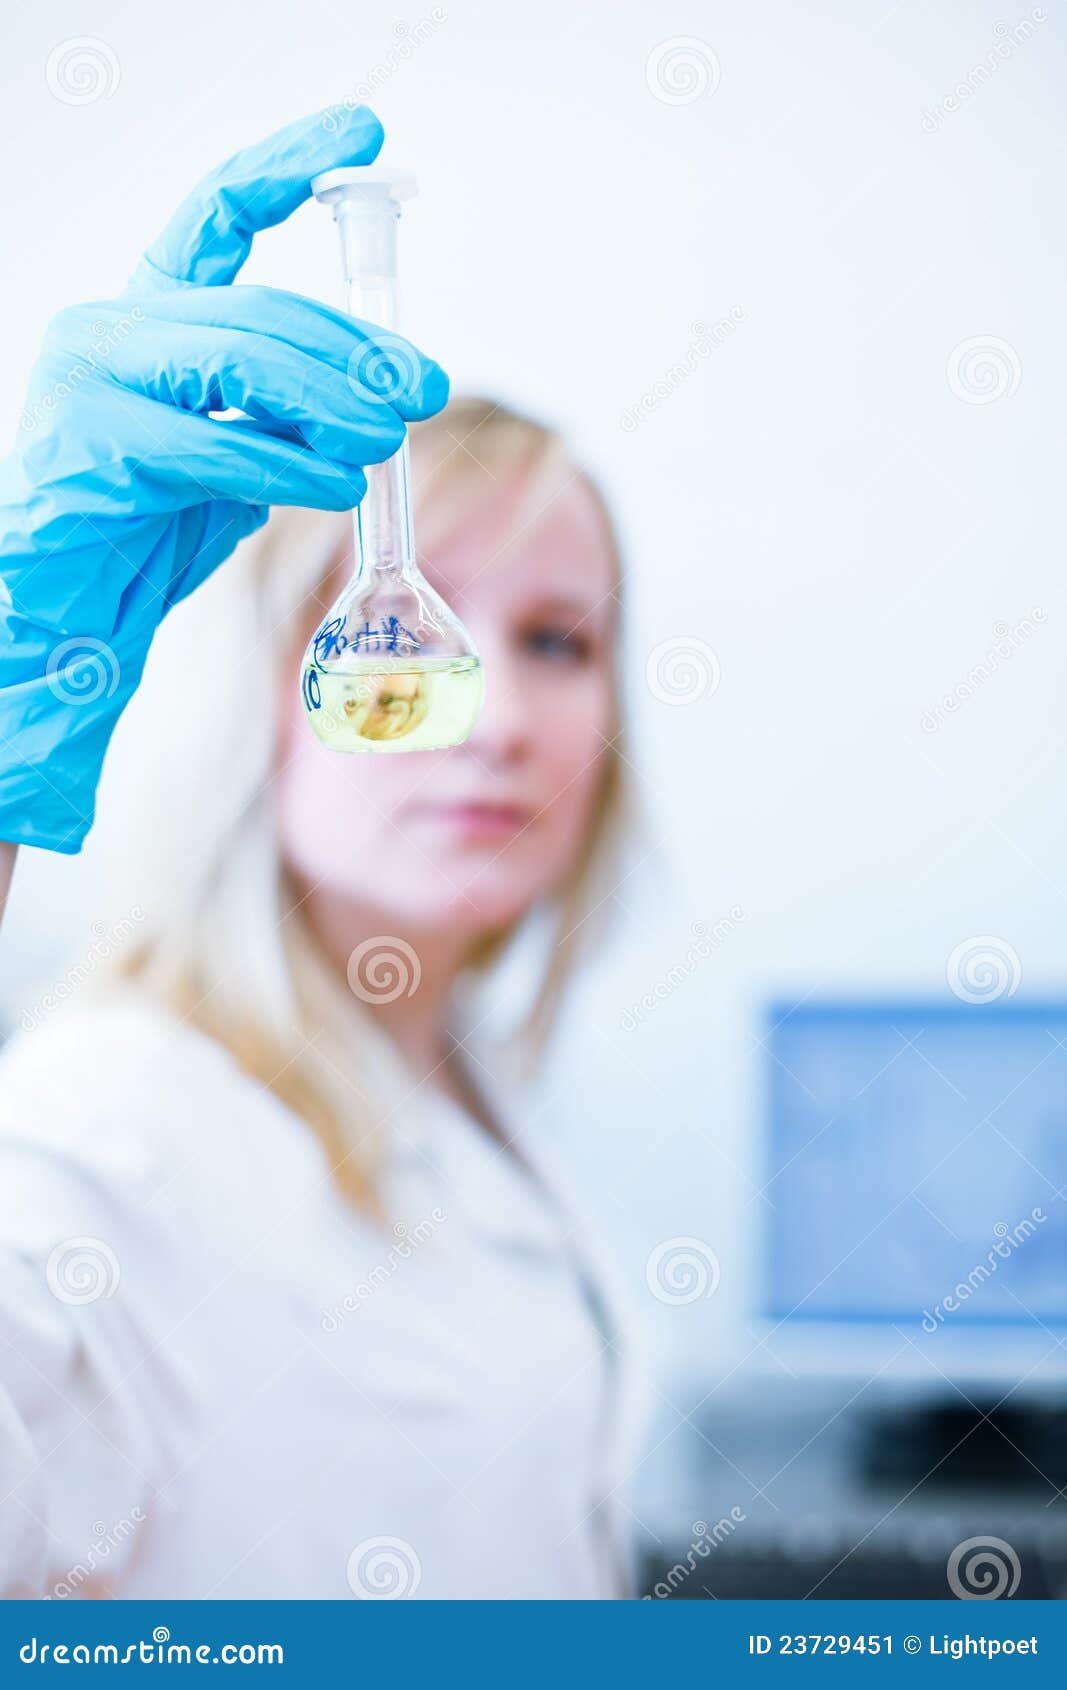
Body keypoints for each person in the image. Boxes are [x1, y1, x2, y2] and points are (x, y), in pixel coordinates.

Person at [0, 110, 645, 1598]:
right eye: (409, 626)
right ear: (258, 709)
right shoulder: (112, 1124)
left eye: (558, 640)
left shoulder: (461, 1076)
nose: (486, 714)